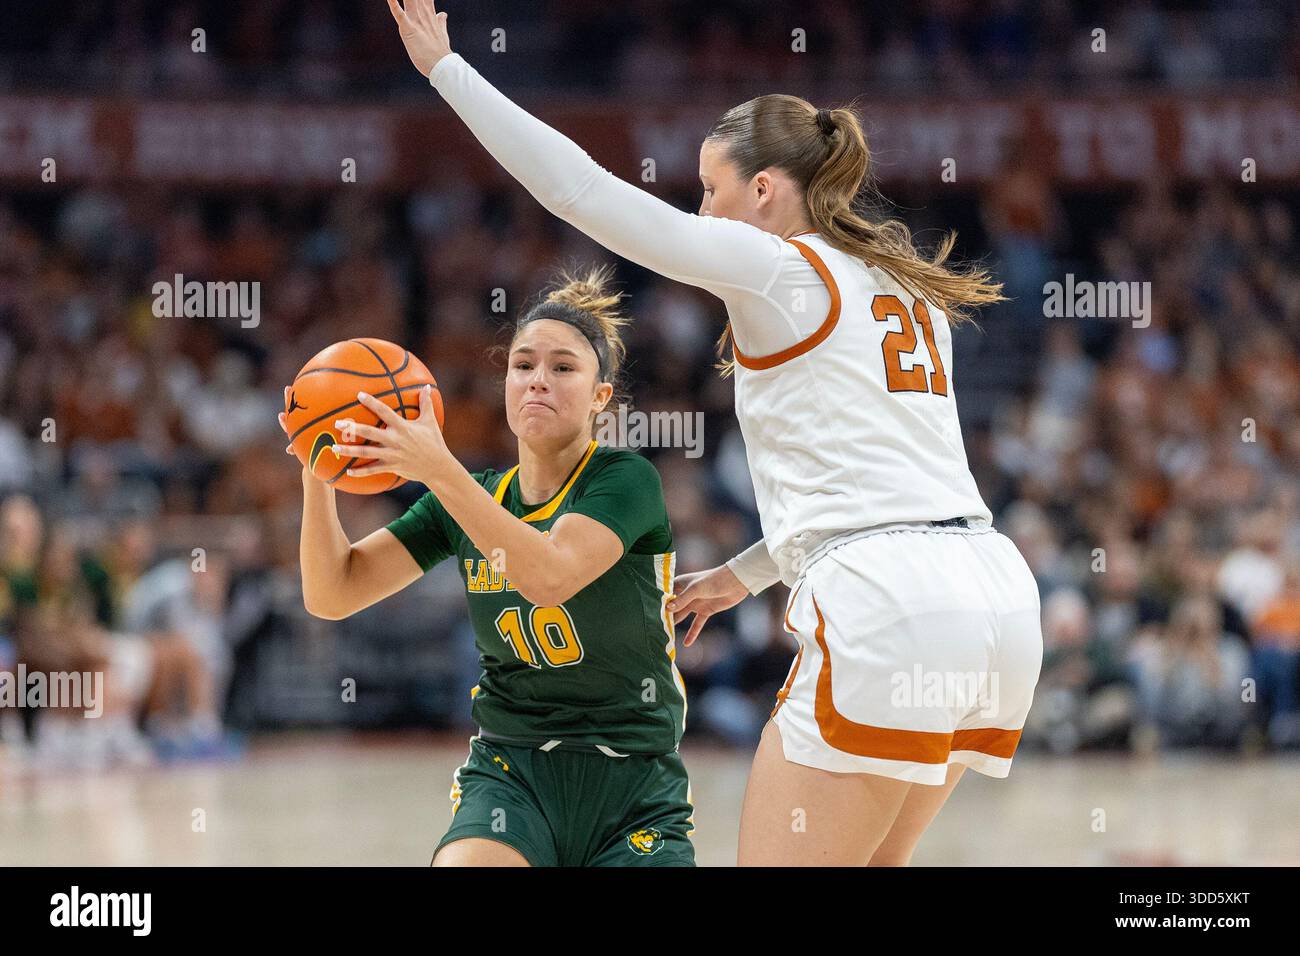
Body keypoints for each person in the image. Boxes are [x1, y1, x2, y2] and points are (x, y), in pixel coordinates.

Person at [387, 0, 1043, 866]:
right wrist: (744, 574)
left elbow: (579, 190)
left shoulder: (777, 265)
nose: (699, 207)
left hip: (891, 605)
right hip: (993, 597)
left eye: (709, 189)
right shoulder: (907, 290)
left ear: (764, 189)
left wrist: (447, 71)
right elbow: (894, 489)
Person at [280, 268, 694, 866]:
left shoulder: (625, 480)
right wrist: (315, 469)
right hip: (512, 769)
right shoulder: (469, 496)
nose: (537, 383)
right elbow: (332, 593)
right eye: (523, 366)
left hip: (633, 777)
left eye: (563, 368)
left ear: (601, 395)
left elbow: (549, 578)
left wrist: (438, 469)